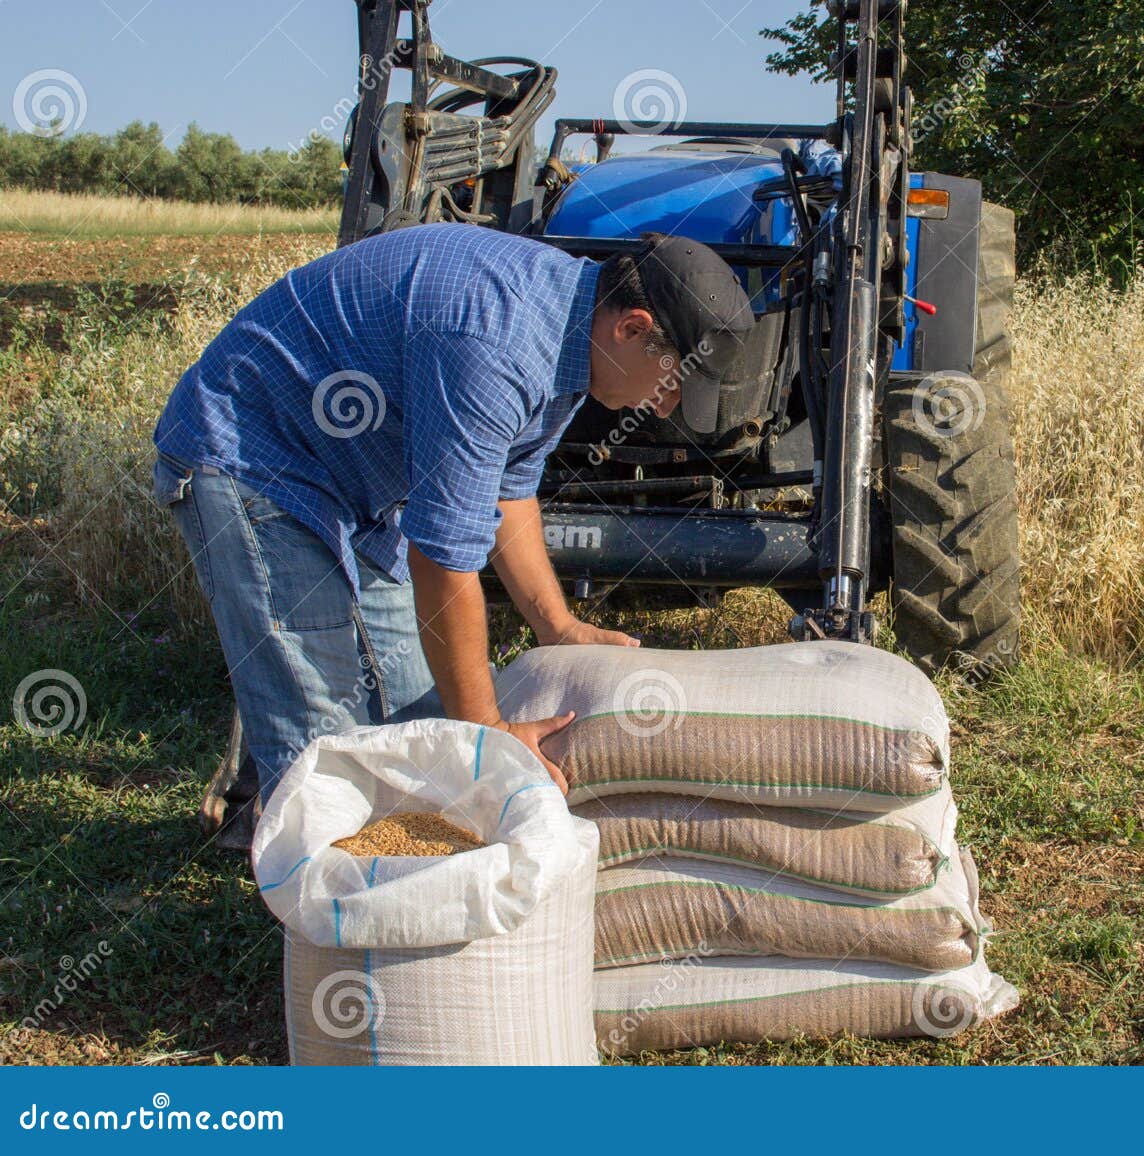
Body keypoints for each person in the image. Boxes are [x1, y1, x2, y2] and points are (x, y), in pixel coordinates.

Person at [152, 223, 754, 815]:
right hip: (256, 455)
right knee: (327, 741)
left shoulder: (571, 341)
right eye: (673, 382)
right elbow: (443, 557)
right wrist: (489, 735)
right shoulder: (498, 345)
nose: (666, 406)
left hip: (352, 487)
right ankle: (312, 891)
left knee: (423, 715)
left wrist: (559, 627)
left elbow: (508, 491)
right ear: (632, 328)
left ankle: (390, 868)